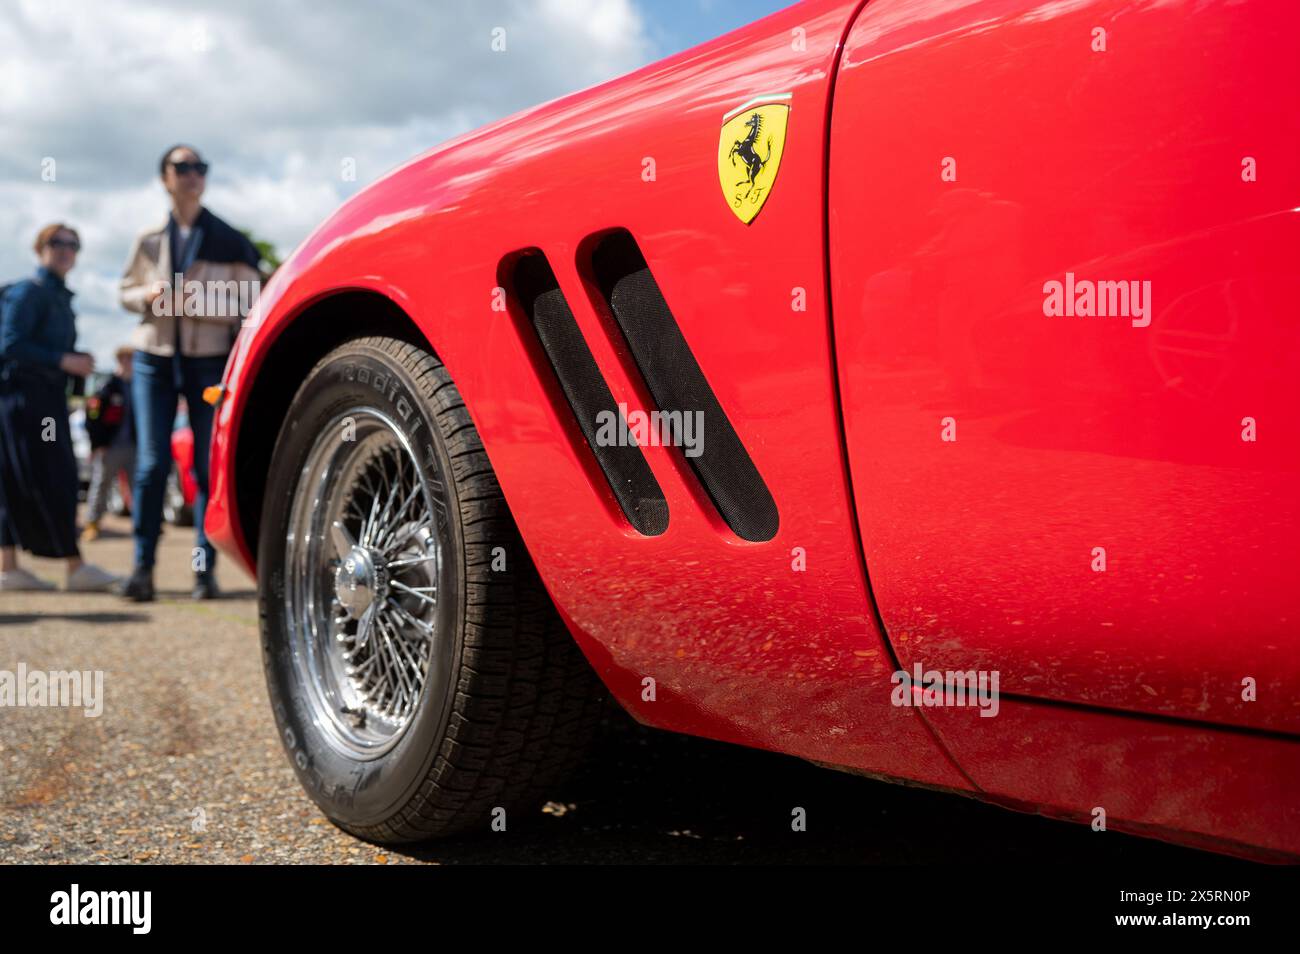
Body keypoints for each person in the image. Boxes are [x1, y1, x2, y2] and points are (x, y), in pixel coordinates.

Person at [118, 145, 261, 602]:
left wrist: (196, 303)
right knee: (152, 462)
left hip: (208, 361)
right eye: (182, 167)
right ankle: (142, 570)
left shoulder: (231, 240)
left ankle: (205, 572)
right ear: (165, 177)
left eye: (200, 167)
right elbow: (124, 291)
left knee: (204, 465)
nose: (193, 174)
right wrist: (149, 295)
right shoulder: (149, 238)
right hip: (154, 357)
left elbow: (250, 302)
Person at [0, 224, 120, 592]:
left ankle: (11, 568)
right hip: (27, 400)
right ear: (40, 248)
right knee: (55, 476)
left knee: (19, 478)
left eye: (73, 244)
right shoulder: (29, 292)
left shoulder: (58, 297)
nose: (66, 250)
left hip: (43, 398)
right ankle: (72, 564)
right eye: (58, 243)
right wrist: (63, 360)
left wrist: (72, 361)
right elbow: (9, 343)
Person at [82, 346, 136, 542]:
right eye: (126, 358)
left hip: (133, 446)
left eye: (132, 359)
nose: (129, 362)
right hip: (110, 446)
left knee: (137, 487)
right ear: (119, 360)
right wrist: (97, 444)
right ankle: (93, 524)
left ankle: (142, 525)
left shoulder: (138, 385)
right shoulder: (107, 386)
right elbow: (92, 416)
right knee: (101, 484)